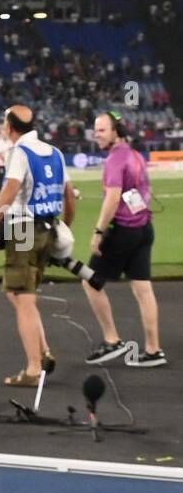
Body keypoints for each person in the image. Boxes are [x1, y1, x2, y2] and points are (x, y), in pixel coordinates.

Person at [0, 105, 77, 387]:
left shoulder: (20, 153)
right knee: (19, 293)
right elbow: (70, 197)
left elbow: (9, 192)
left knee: (23, 299)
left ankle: (34, 369)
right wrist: (65, 227)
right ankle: (43, 351)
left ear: (10, 128)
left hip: (24, 230)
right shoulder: (55, 152)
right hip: (47, 229)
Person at [81, 112, 166, 367]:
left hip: (124, 231)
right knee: (143, 289)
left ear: (116, 131)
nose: (97, 134)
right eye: (95, 129)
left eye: (102, 130)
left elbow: (113, 198)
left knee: (90, 282)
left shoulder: (115, 160)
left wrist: (98, 231)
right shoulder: (136, 155)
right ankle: (153, 350)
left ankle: (111, 340)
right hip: (144, 229)